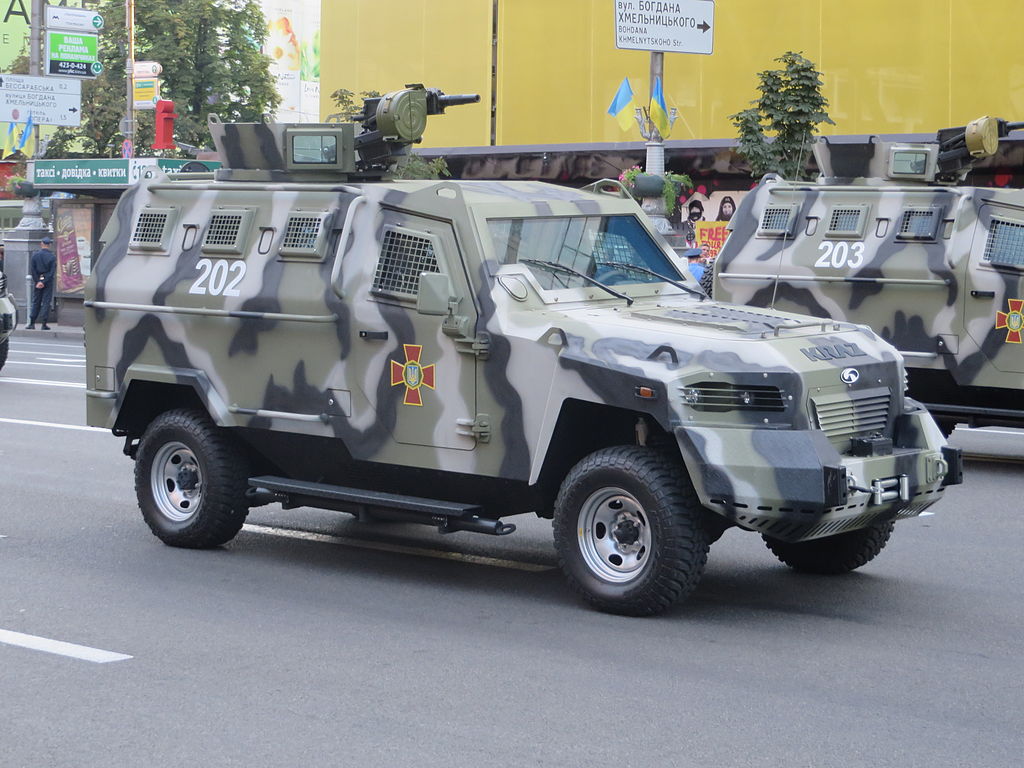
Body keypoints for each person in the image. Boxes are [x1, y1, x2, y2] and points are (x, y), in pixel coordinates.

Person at [27, 236, 56, 330]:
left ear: (41, 244)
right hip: (47, 282)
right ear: (49, 245)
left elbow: (33, 269)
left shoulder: (35, 255)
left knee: (36, 301)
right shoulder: (52, 257)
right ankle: (44, 323)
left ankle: (32, 323)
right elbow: (52, 272)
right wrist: (44, 281)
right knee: (46, 301)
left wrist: (38, 281)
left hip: (37, 281)